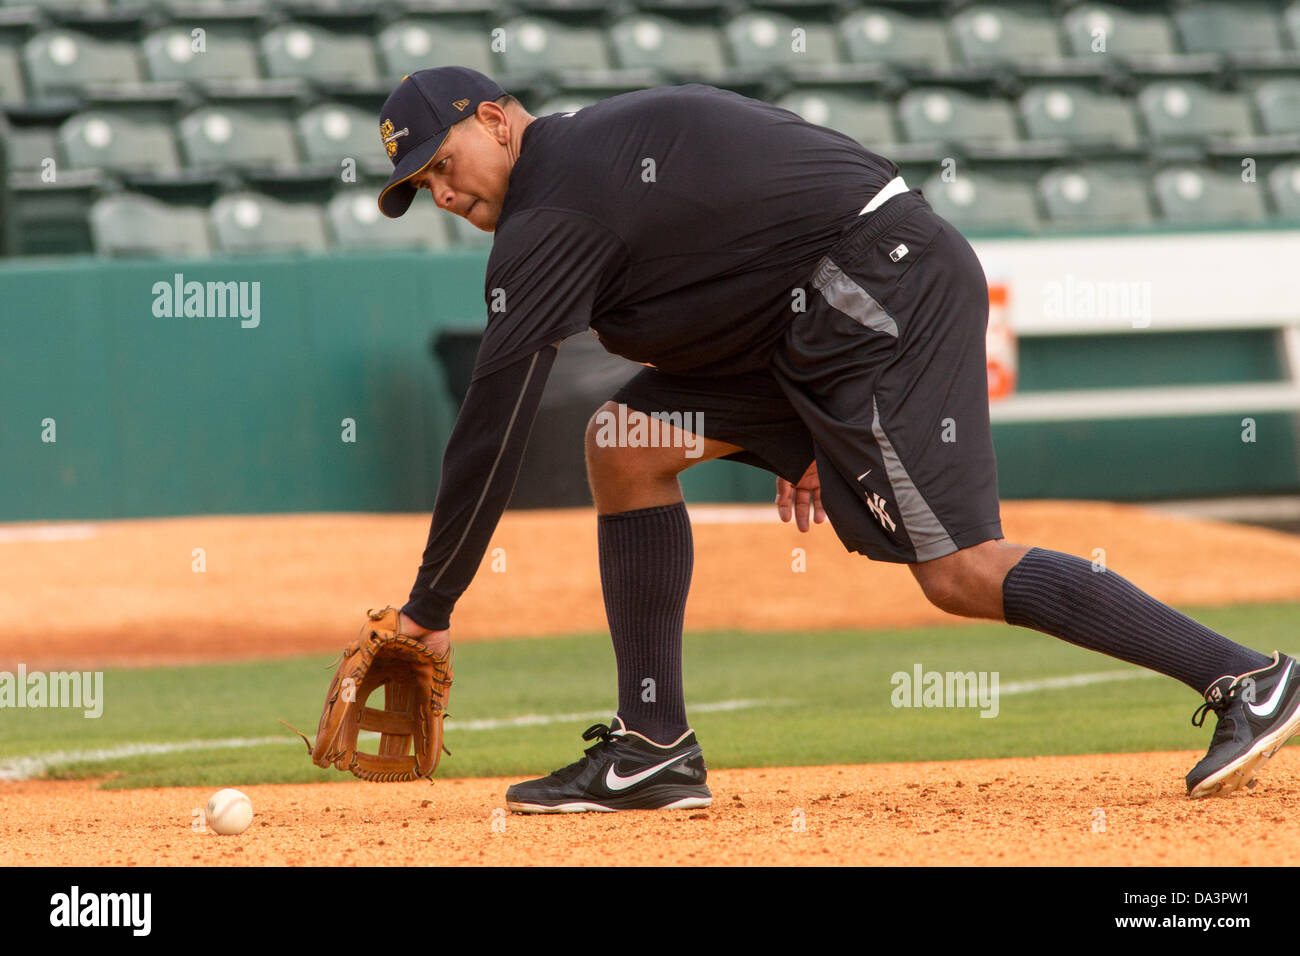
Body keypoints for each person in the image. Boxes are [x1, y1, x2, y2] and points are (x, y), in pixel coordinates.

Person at [374, 66, 1300, 812]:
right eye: (421, 187)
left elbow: (492, 418)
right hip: (814, 314)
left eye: (443, 163)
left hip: (876, 288)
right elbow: (740, 263)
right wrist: (800, 432)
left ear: (496, 120)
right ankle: (652, 746)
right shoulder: (580, 175)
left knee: (959, 568)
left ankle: (1246, 678)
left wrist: (430, 606)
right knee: (627, 443)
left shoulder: (555, 202)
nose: (443, 193)